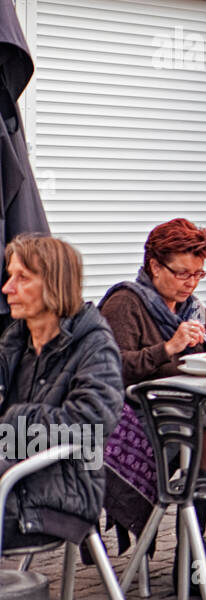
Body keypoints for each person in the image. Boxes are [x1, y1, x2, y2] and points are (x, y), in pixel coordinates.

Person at [98, 219, 206, 536]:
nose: (191, 283)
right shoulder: (126, 303)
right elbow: (110, 369)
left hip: (182, 413)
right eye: (182, 273)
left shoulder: (192, 309)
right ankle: (191, 561)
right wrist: (168, 347)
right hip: (132, 423)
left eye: (198, 274)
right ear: (155, 266)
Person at [0, 234, 123, 550]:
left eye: (22, 278)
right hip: (13, 479)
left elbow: (90, 423)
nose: (7, 288)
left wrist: (13, 421)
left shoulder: (94, 345)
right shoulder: (16, 339)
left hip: (64, 494)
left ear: (54, 284)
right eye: (9, 275)